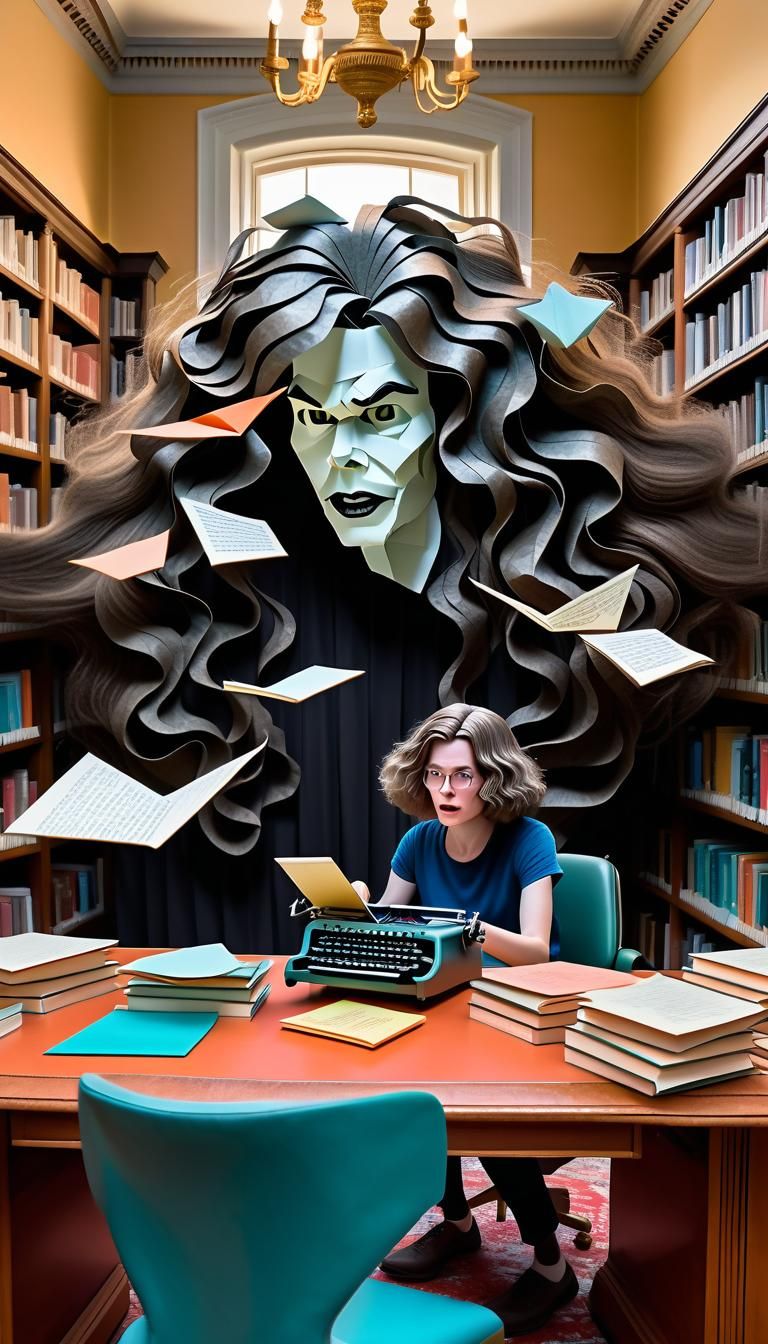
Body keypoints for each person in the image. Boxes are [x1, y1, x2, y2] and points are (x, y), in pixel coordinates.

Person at [352, 702, 578, 1337]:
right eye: (433, 775)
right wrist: (361, 908)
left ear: (495, 777)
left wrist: (473, 929)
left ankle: (552, 1267)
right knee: (420, 1106)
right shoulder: (419, 839)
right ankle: (457, 1223)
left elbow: (535, 947)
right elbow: (392, 925)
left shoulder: (528, 839)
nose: (444, 791)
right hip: (446, 1001)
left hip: (517, 1008)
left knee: (490, 1124)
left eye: (462, 776)